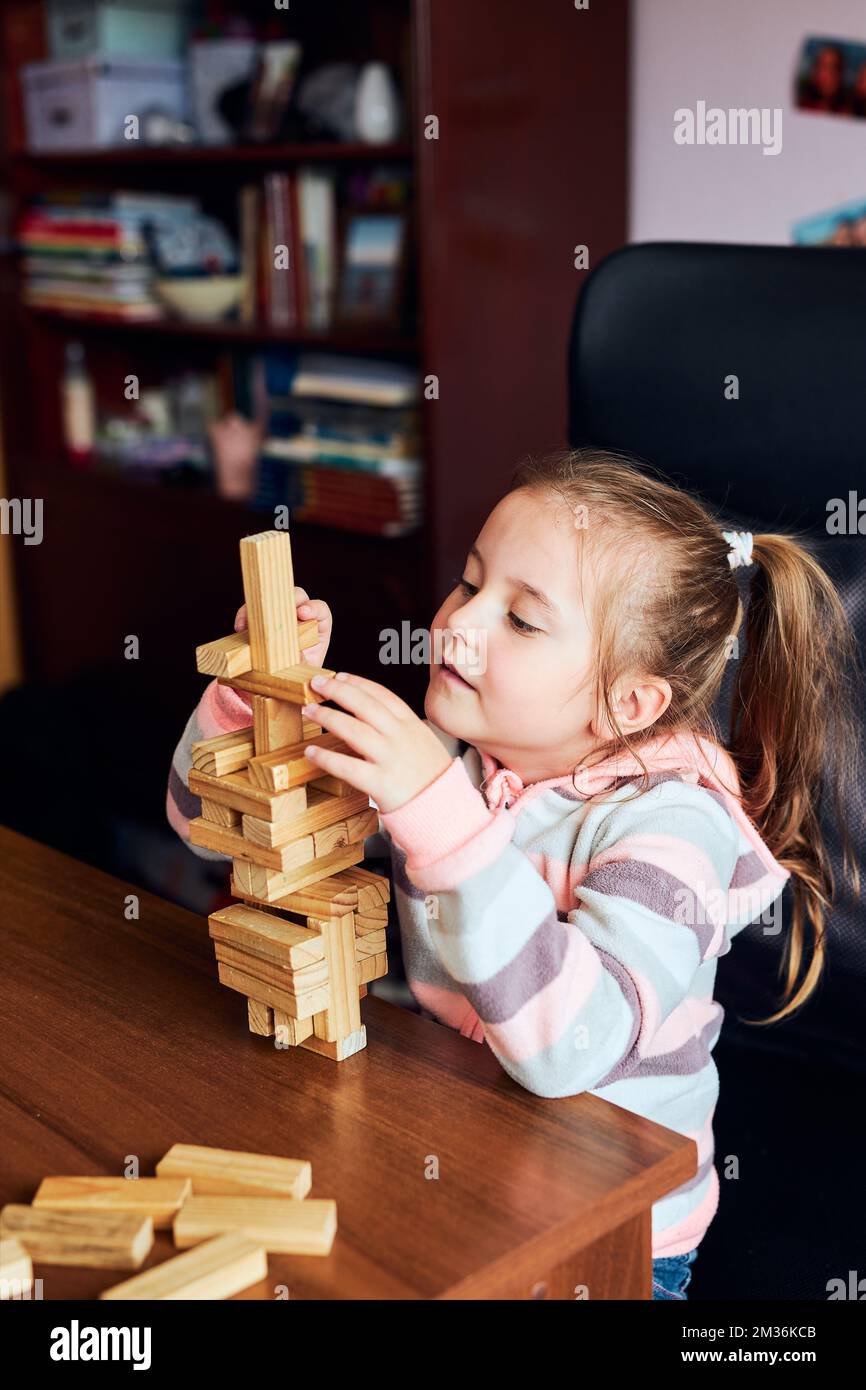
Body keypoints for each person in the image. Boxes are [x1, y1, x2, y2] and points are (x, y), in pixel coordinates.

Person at [166, 448, 860, 1299]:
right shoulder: (465, 765)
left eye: (523, 621)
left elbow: (572, 1052)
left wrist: (441, 821)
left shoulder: (676, 830)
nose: (458, 623)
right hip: (455, 1145)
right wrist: (250, 710)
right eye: (468, 582)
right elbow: (214, 836)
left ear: (628, 705)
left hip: (614, 1228)